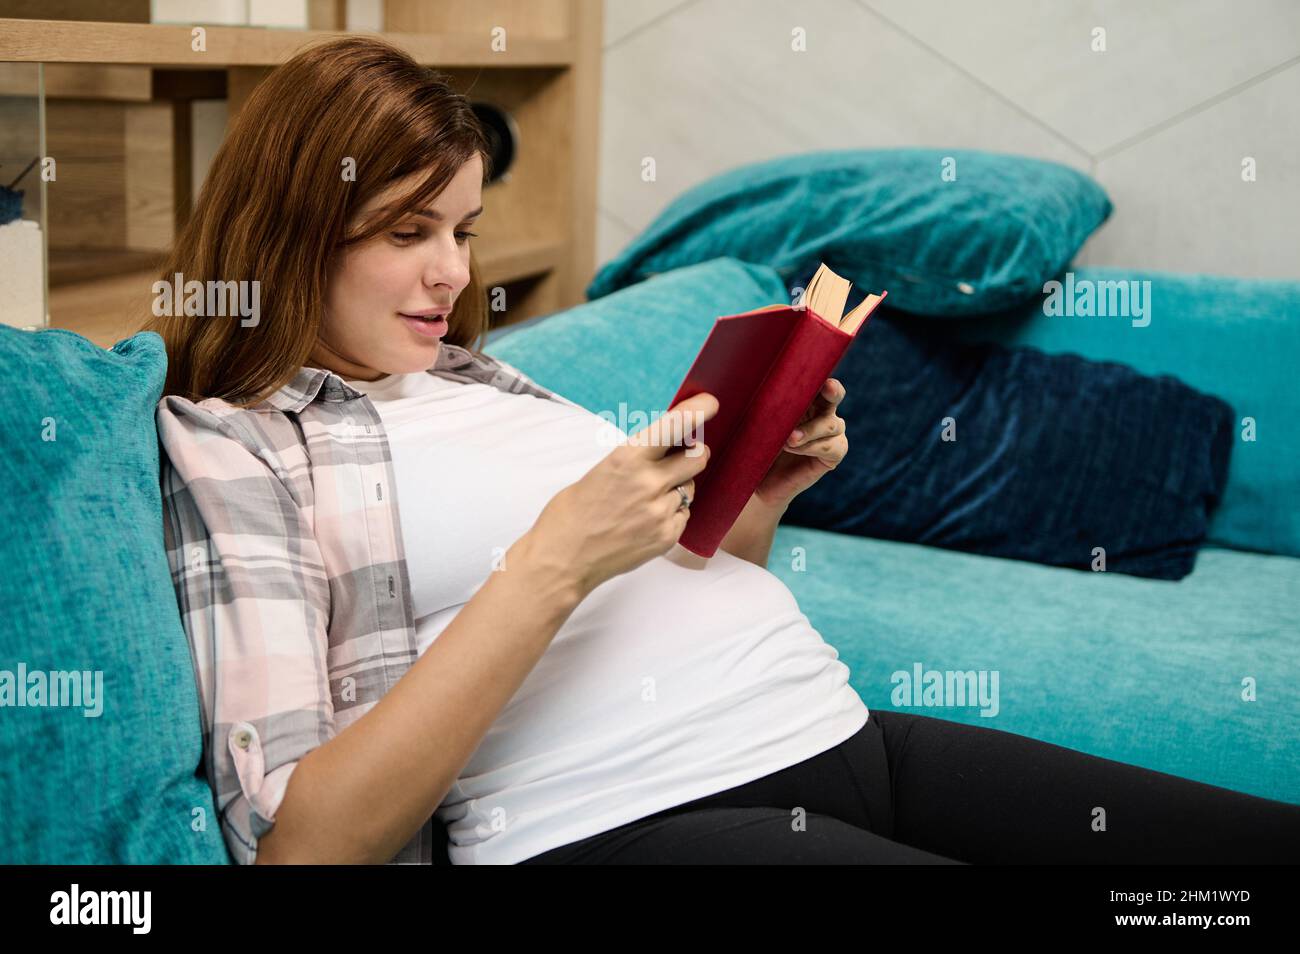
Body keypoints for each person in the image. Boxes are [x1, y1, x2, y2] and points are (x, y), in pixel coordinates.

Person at [144, 35, 1300, 866]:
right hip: (626, 815)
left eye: (462, 230)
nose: (454, 273)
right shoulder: (237, 444)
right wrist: (551, 558)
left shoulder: (477, 376)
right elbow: (304, 845)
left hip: (845, 738)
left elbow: (682, 587)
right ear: (293, 234)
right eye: (409, 234)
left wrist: (759, 492)